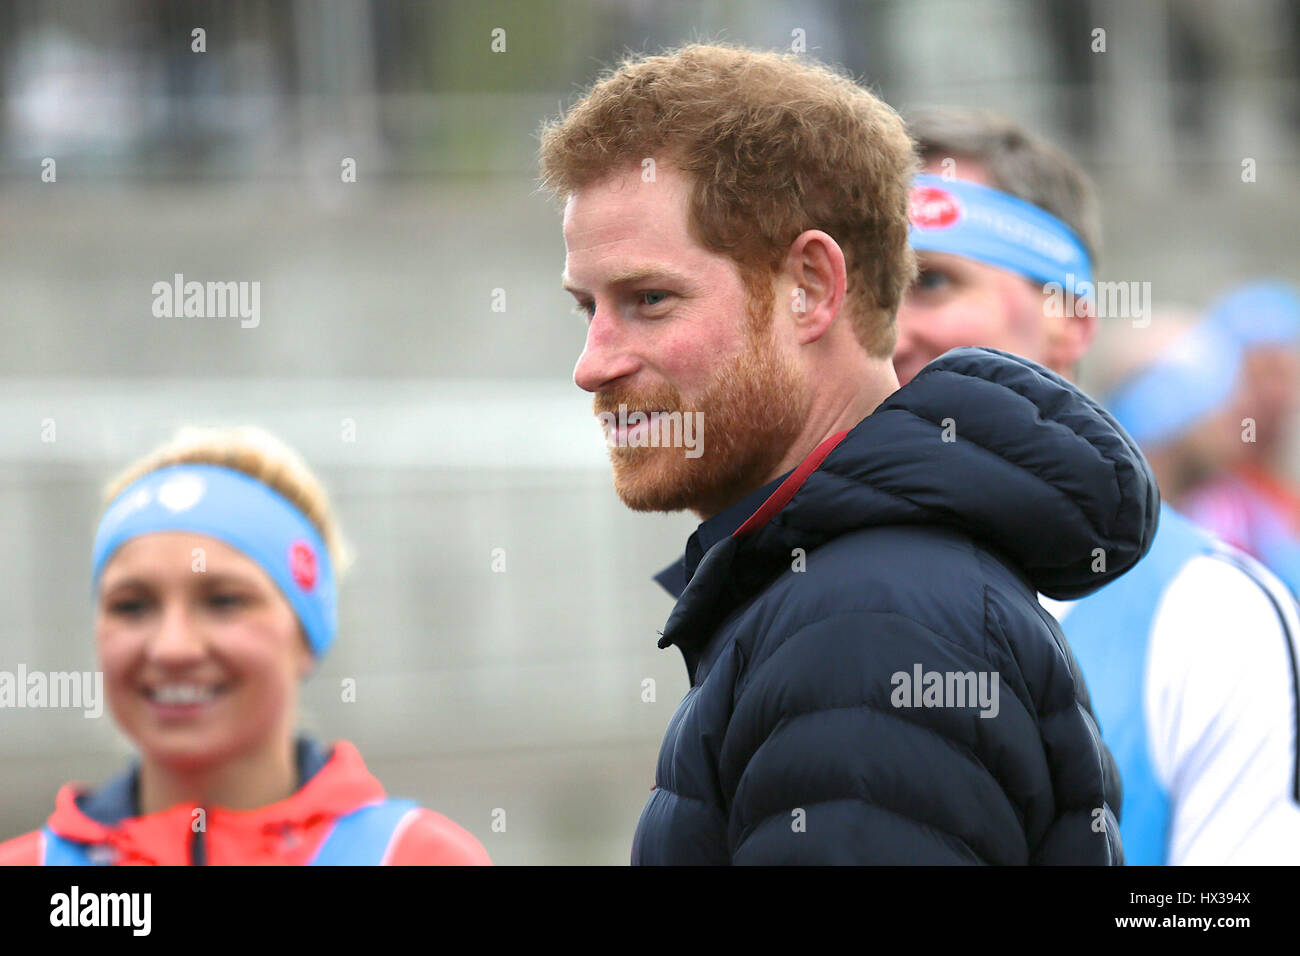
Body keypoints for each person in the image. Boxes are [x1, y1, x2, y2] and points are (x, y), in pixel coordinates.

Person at [539, 45, 1156, 865]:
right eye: (589, 308)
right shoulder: (835, 593)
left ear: (812, 288)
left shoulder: (865, 630)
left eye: (649, 300)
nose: (594, 362)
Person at [896, 106, 1300, 864]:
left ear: (1070, 322)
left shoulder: (1206, 614)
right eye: (871, 288)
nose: (889, 330)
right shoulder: (773, 587)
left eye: (932, 282)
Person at [0, 426, 490, 866]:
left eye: (224, 601)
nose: (172, 647)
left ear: (306, 634)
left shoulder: (418, 858)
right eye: (132, 606)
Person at [1181, 281, 1300, 595]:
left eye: (1284, 373)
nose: (1275, 394)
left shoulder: (1281, 499)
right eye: (1259, 375)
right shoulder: (1208, 508)